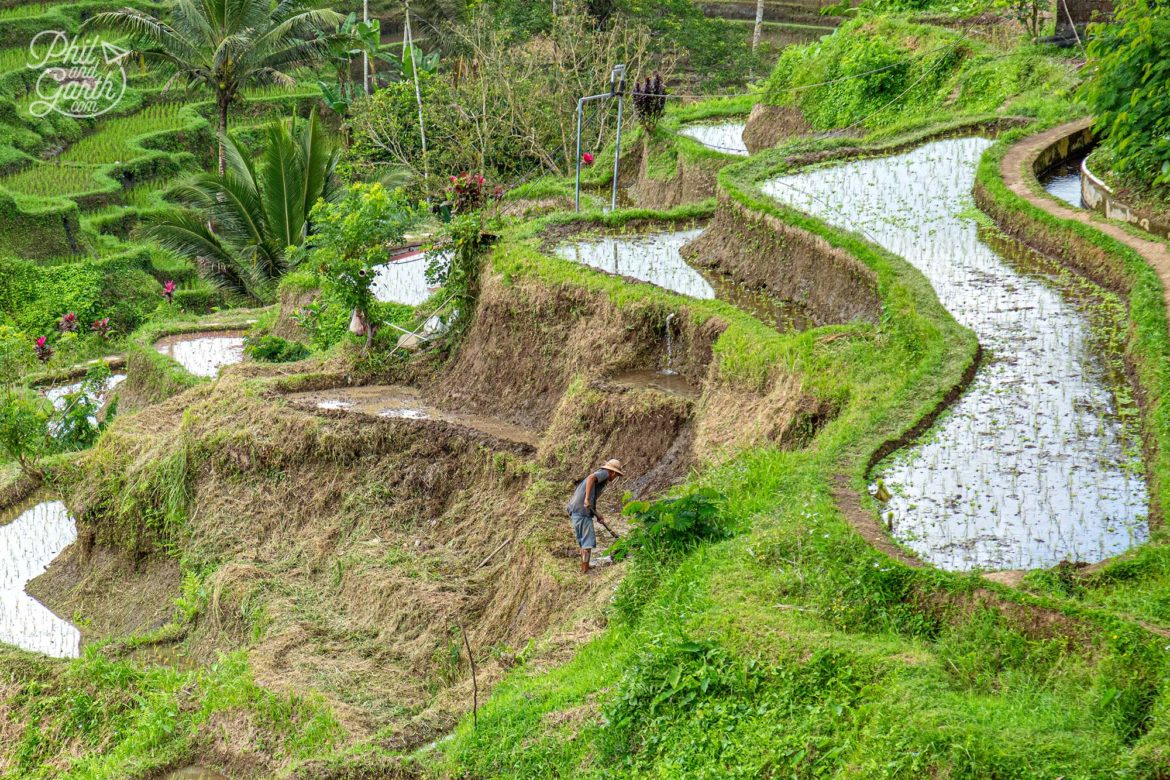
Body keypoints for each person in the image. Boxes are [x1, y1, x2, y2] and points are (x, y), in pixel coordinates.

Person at [566, 459, 624, 574]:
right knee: (587, 542)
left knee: (584, 541)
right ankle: (585, 570)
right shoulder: (604, 473)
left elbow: (591, 497)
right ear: (613, 472)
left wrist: (597, 514)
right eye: (616, 475)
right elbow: (591, 478)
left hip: (577, 509)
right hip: (581, 510)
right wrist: (586, 499)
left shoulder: (601, 476)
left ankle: (585, 566)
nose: (615, 477)